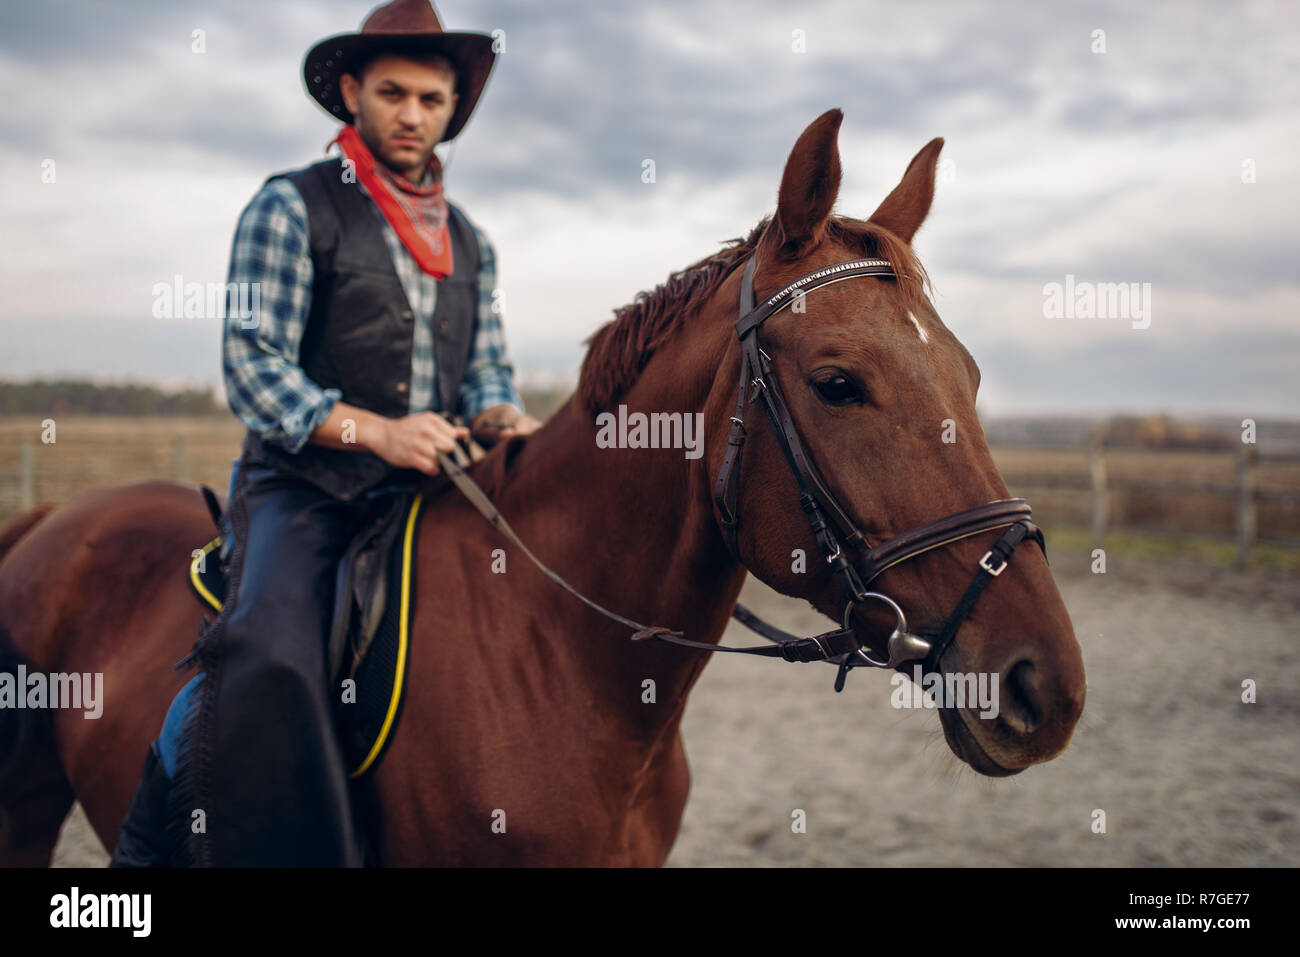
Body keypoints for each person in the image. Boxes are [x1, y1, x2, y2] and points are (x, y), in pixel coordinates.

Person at [111, 0, 540, 866]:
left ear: (453, 106)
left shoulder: (473, 242)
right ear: (351, 92)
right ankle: (168, 839)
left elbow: (487, 368)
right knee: (268, 650)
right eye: (391, 93)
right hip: (306, 487)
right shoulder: (290, 207)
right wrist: (376, 431)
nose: (411, 115)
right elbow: (253, 365)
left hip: (430, 488)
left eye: (430, 99)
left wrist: (506, 417)